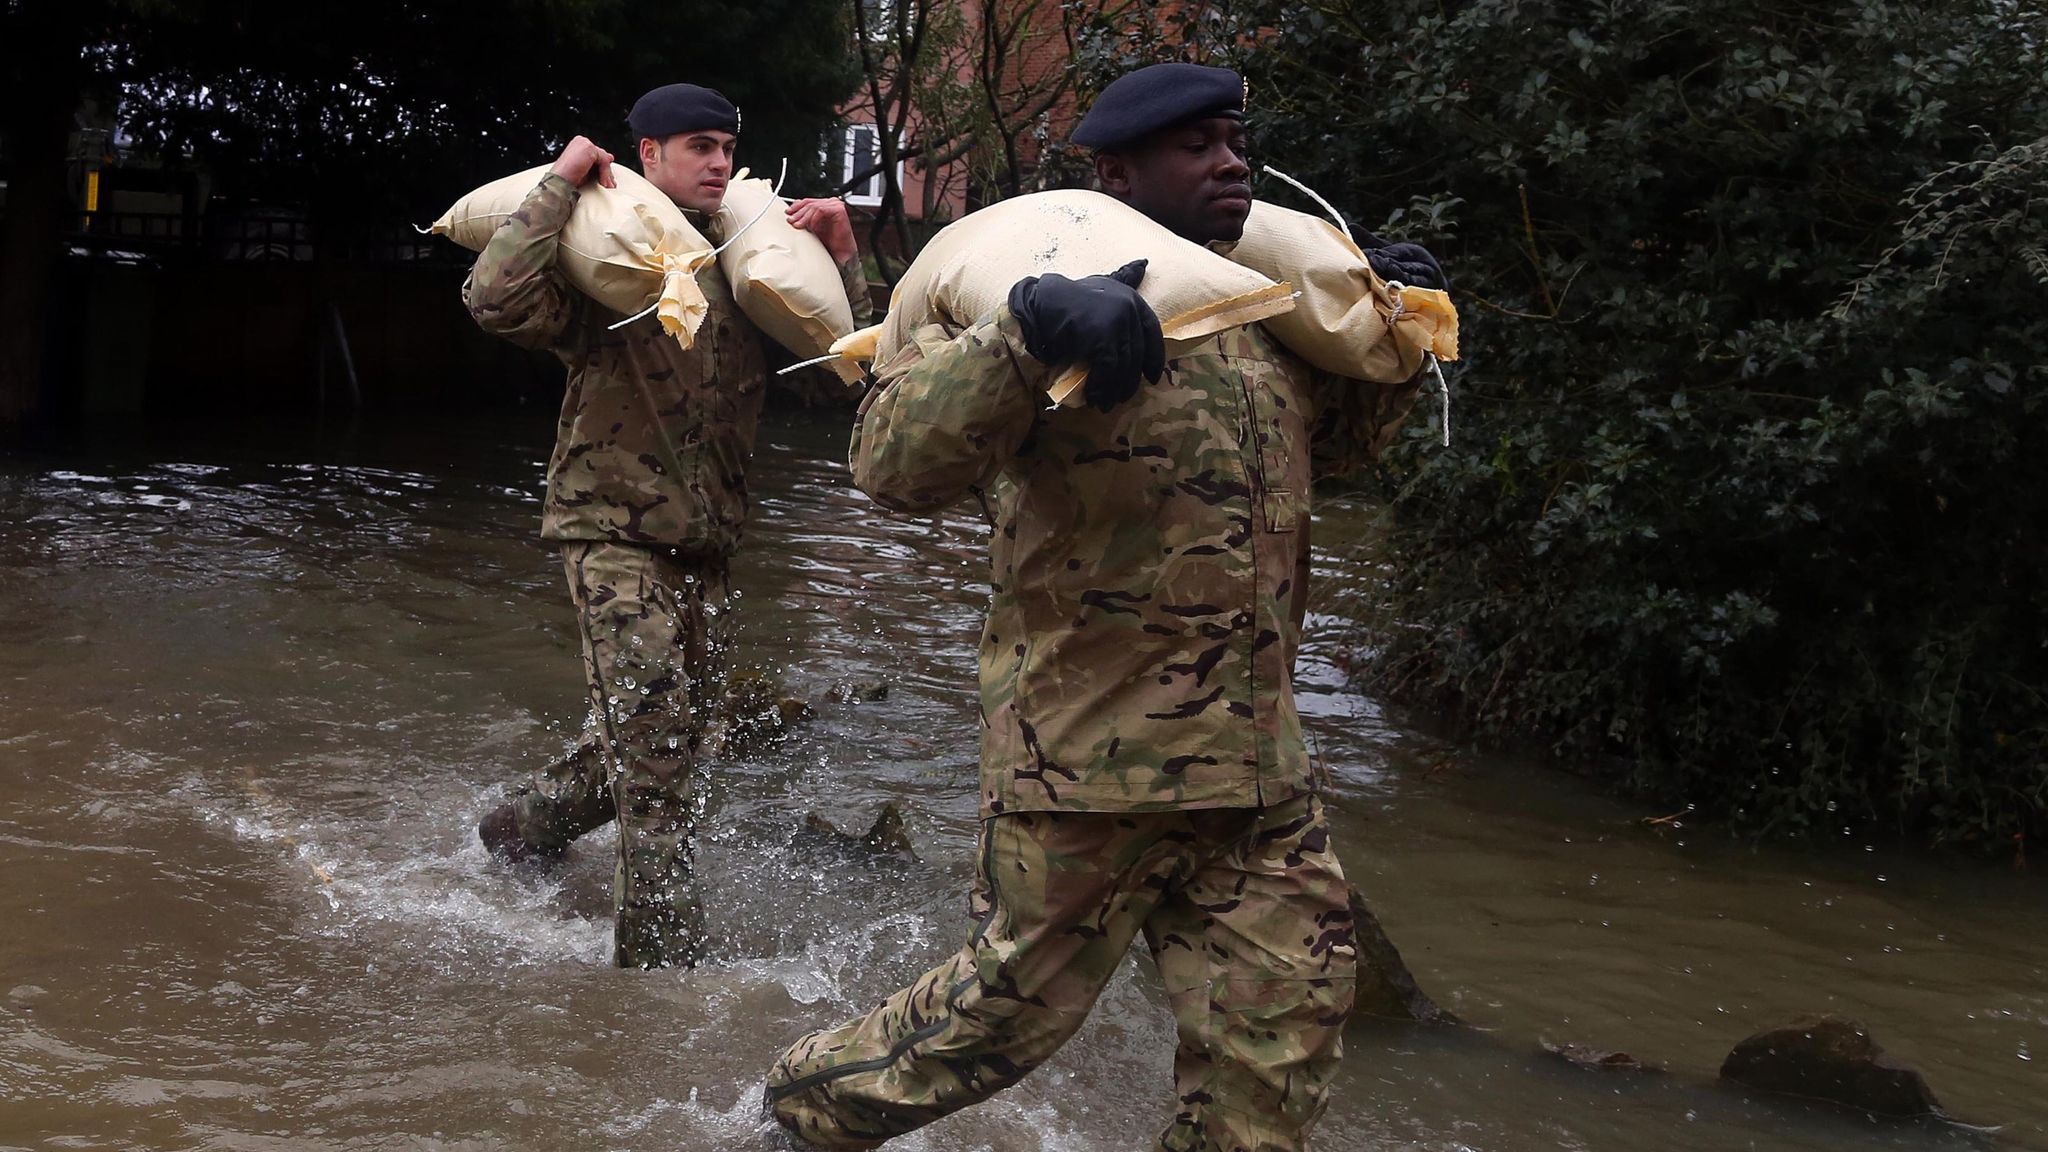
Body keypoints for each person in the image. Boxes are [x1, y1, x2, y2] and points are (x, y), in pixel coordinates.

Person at [761, 62, 1438, 1150]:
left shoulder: (1255, 315)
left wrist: (1390, 347)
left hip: (1258, 772)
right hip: (1086, 762)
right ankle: (799, 1111)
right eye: (1195, 146)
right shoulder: (1044, 307)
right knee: (1001, 1022)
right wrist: (1026, 334)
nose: (1230, 161)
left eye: (1233, 138)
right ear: (1114, 173)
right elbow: (890, 466)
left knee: (1282, 1043)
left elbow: (1338, 462)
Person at [464, 83, 873, 970]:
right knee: (658, 761)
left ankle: (520, 825)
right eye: (698, 146)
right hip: (610, 533)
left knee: (684, 737)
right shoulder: (618, 268)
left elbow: (845, 377)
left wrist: (845, 256)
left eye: (728, 147)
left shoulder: (750, 271)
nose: (719, 162)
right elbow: (493, 299)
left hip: (709, 549)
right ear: (647, 155)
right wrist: (565, 182)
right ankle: (661, 981)